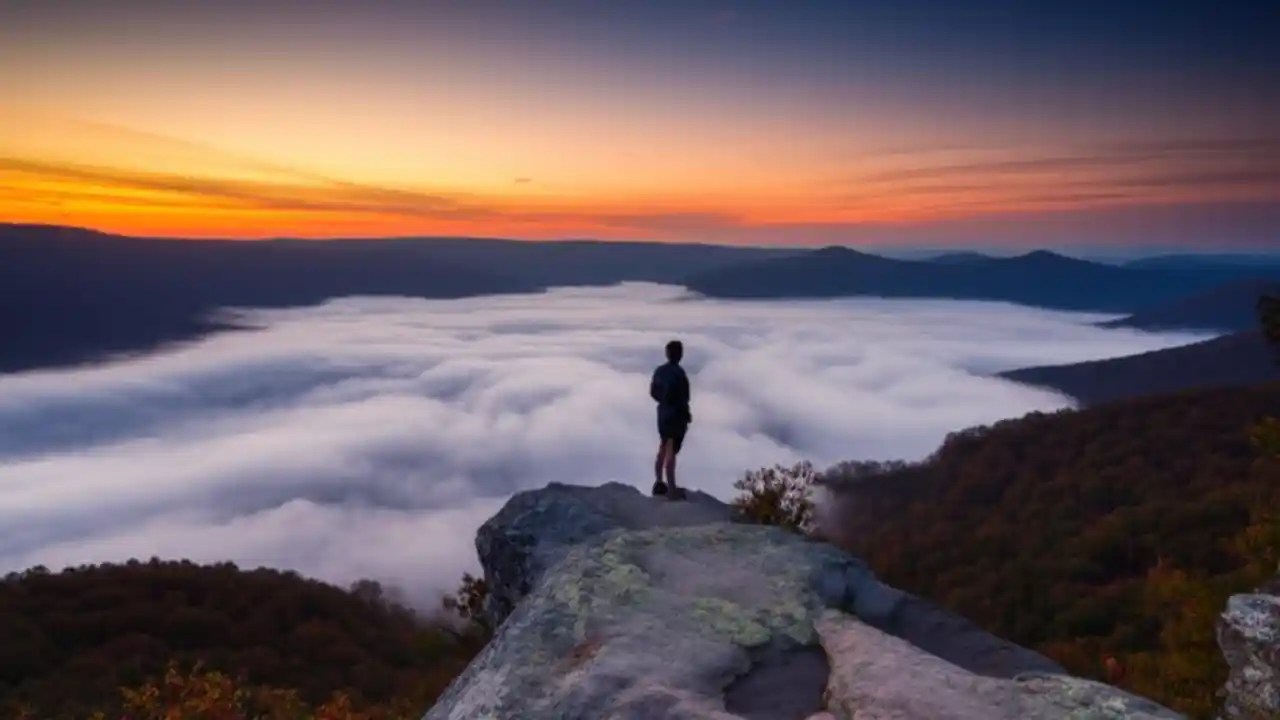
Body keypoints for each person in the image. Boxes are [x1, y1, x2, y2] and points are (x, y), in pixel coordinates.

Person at [649, 339, 691, 500]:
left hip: (663, 415)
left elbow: (653, 392)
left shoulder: (659, 371)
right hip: (676, 416)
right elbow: (684, 398)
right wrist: (685, 413)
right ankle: (672, 489)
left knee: (663, 446)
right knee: (671, 452)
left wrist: (664, 402)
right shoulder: (679, 374)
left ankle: (659, 482)